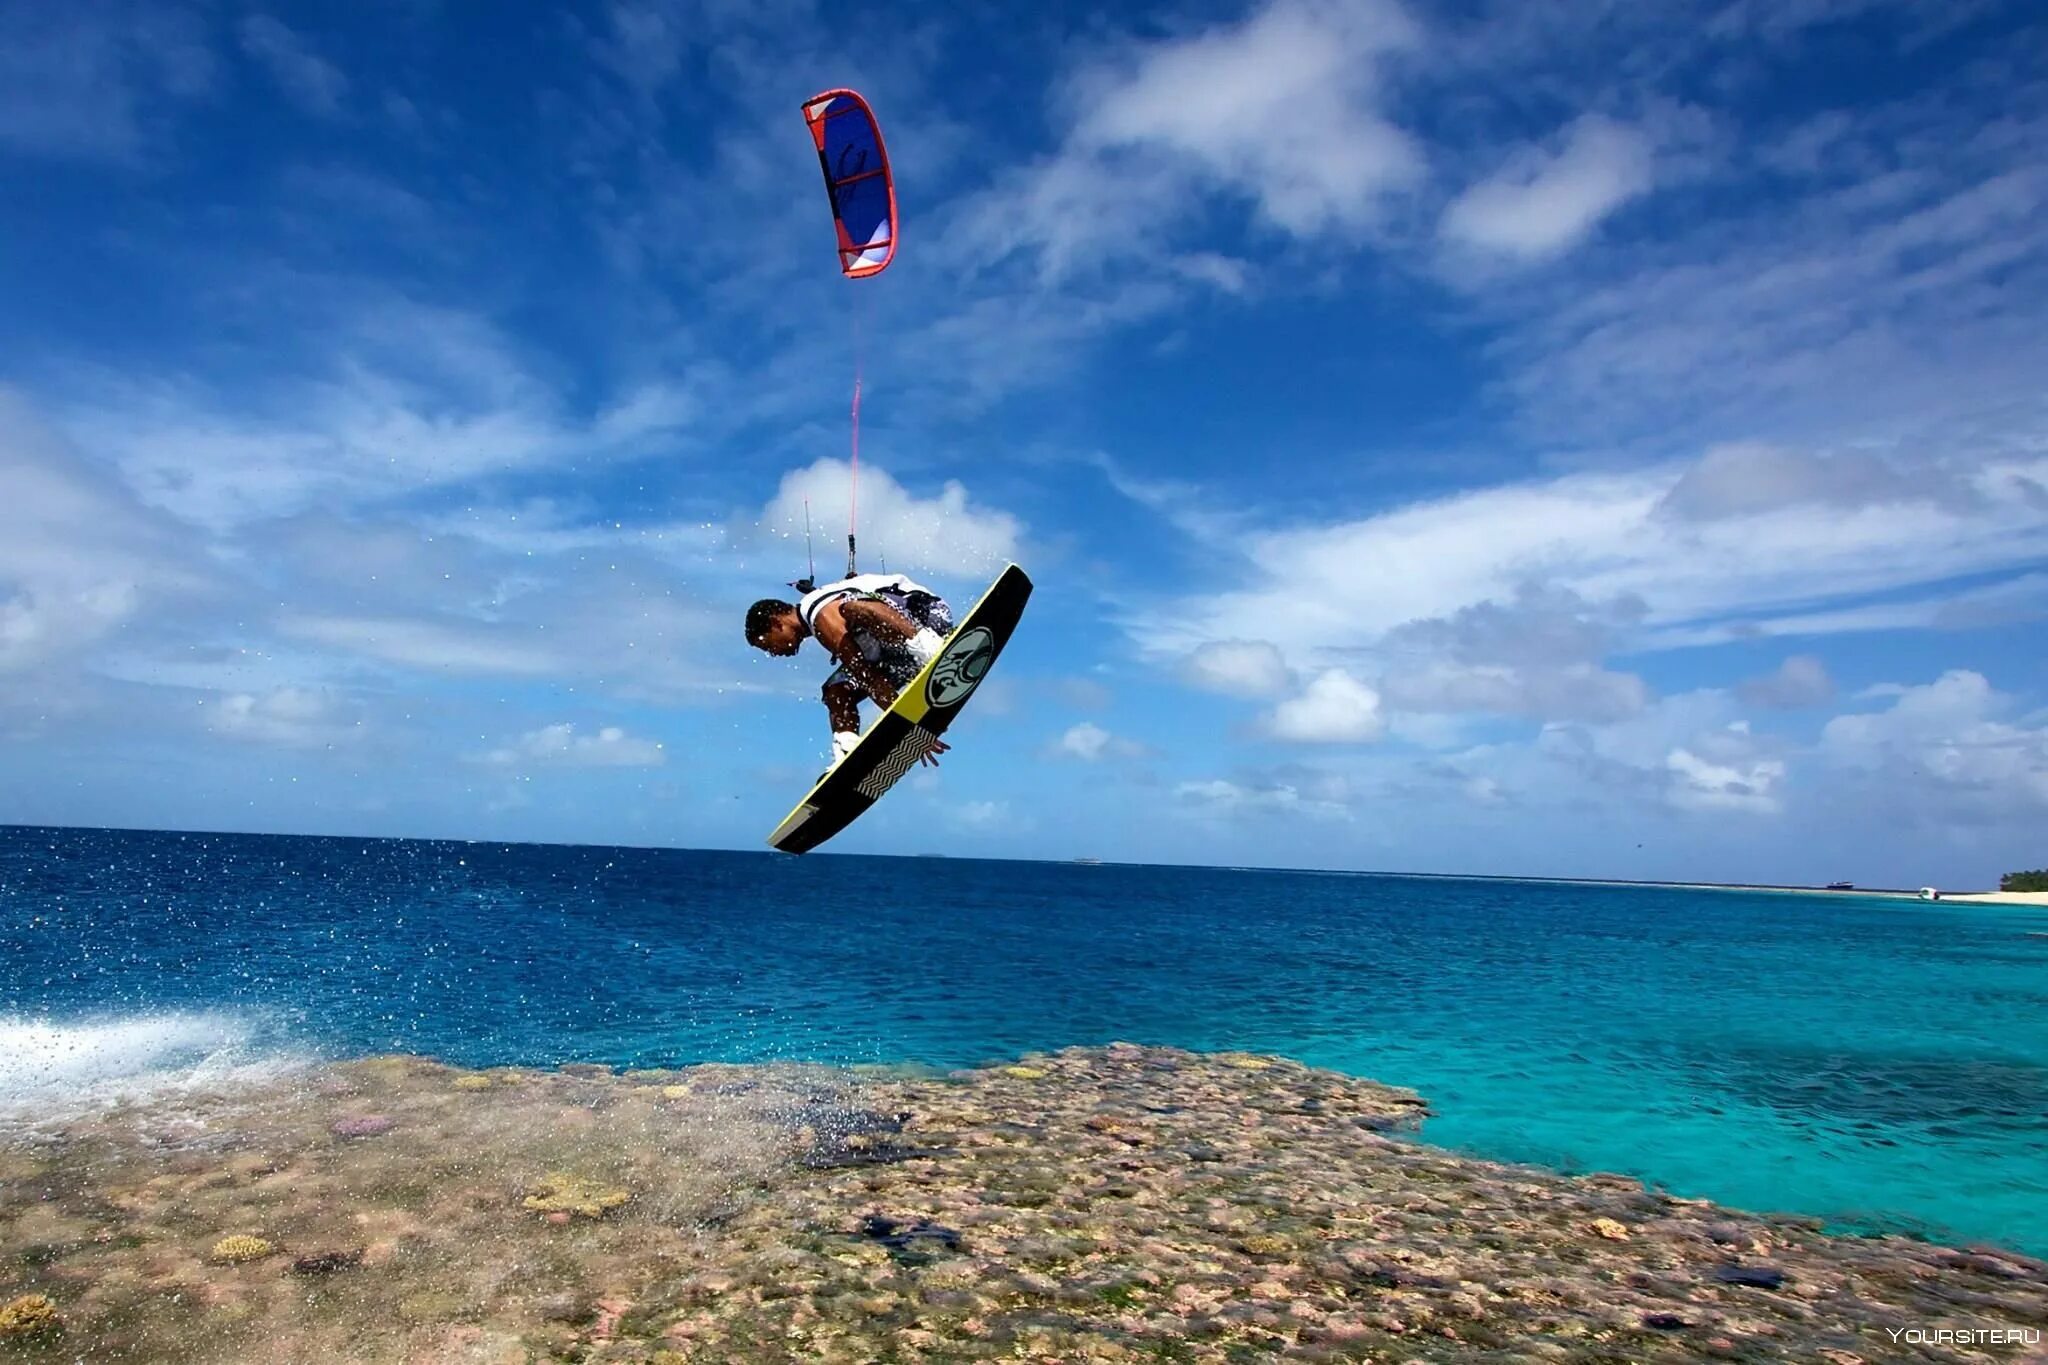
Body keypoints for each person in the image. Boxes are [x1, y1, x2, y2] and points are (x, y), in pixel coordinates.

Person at [745, 572, 955, 769]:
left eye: (767, 645)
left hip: (927, 616)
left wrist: (910, 728)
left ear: (775, 623)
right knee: (836, 689)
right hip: (898, 656)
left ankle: (931, 648)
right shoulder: (820, 616)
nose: (773, 653)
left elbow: (869, 678)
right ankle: (848, 749)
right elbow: (867, 678)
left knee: (852, 609)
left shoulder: (820, 614)